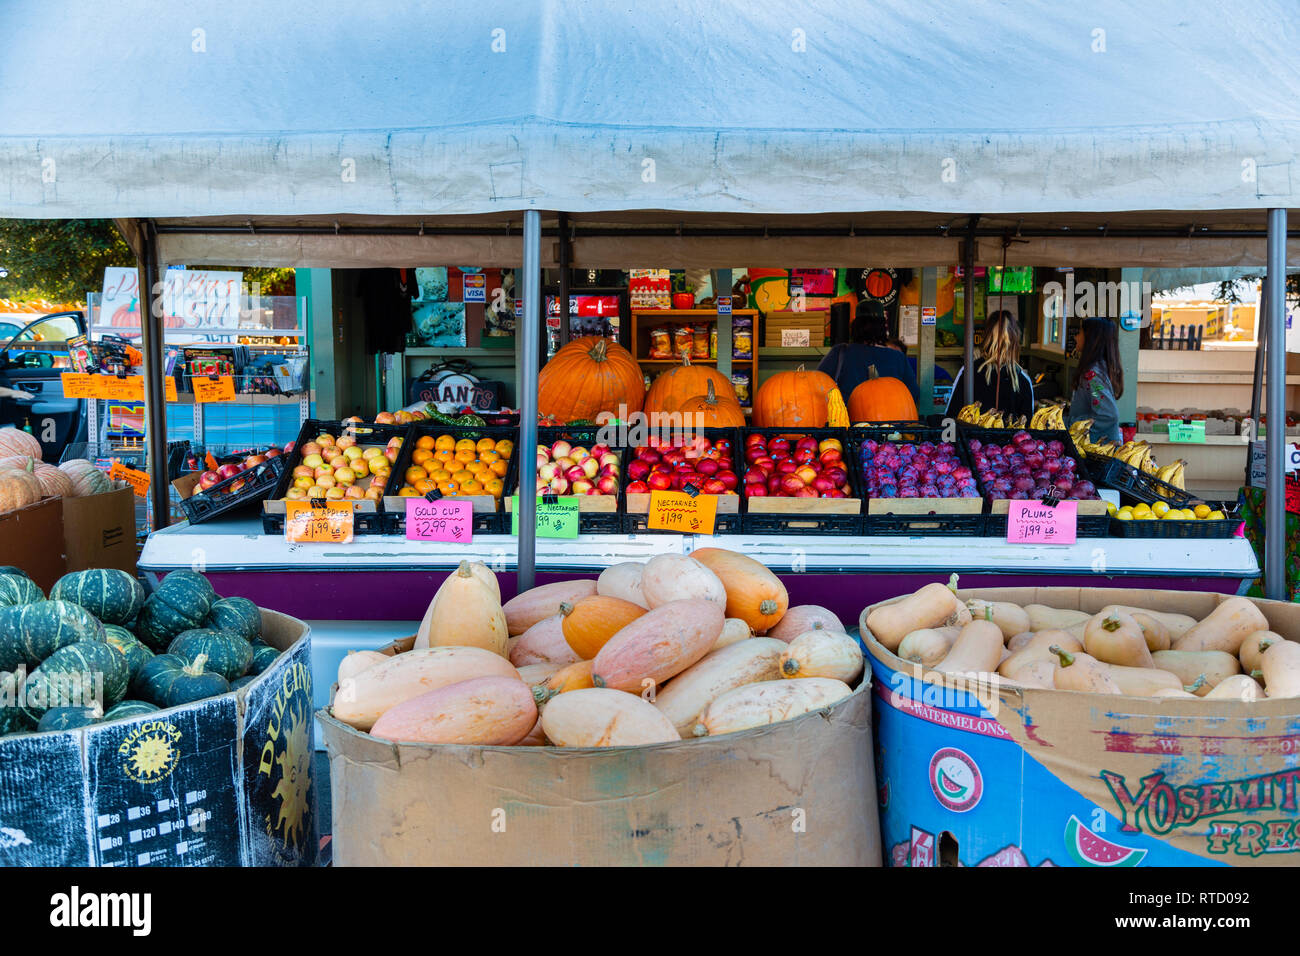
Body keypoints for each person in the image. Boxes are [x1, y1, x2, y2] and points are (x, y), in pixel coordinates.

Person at [819, 302, 919, 406]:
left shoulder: (840, 353)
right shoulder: (897, 357)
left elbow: (818, 386)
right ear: (883, 328)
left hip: (847, 419)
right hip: (890, 420)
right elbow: (913, 395)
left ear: (855, 327)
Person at [943, 310, 1035, 420]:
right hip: (1011, 437)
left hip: (969, 436)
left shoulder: (969, 371)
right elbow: (1028, 428)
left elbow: (950, 417)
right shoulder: (1023, 380)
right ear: (1015, 341)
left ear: (986, 337)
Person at [1068, 316, 1123, 444]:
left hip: (1097, 450)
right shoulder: (1100, 368)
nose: (1076, 337)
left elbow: (1107, 415)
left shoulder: (1093, 375)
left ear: (1091, 339)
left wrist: (1069, 422)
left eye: (1080, 333)